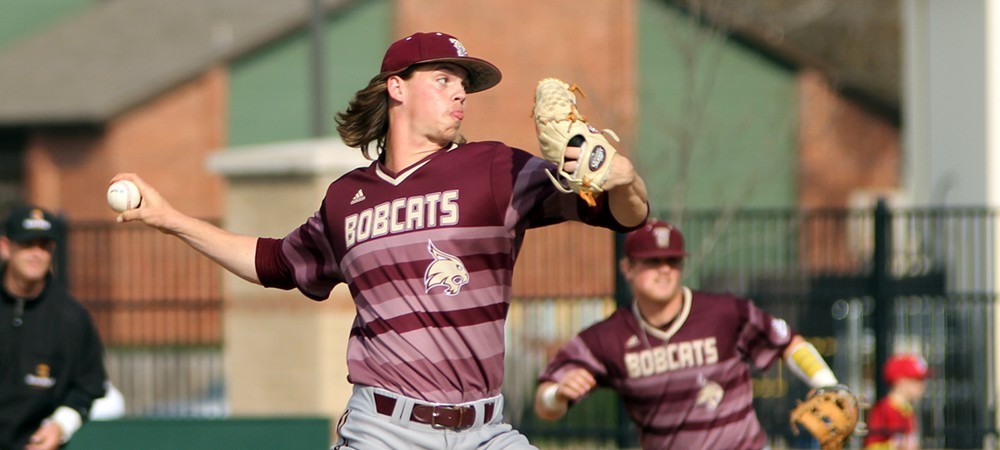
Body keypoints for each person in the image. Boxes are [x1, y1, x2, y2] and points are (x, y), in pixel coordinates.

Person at [112, 31, 648, 449]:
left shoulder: (494, 167)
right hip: (385, 430)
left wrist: (621, 177)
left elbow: (625, 217)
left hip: (486, 431)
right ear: (397, 87)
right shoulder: (346, 199)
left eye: (463, 84)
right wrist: (170, 218)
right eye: (443, 78)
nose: (460, 92)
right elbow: (274, 262)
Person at [534, 219, 845, 450]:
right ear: (627, 268)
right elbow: (544, 404)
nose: (664, 269)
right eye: (652, 261)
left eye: (673, 261)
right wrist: (557, 394)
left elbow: (788, 342)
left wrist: (827, 384)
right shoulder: (609, 337)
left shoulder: (724, 313)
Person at [0, 205, 108, 450]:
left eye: (44, 246)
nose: (36, 254)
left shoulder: (71, 317)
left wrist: (60, 426)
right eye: (27, 244)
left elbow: (89, 385)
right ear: (6, 247)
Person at [863, 354, 928, 450]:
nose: (922, 385)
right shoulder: (884, 409)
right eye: (916, 380)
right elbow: (870, 446)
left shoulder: (907, 410)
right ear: (900, 381)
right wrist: (895, 445)